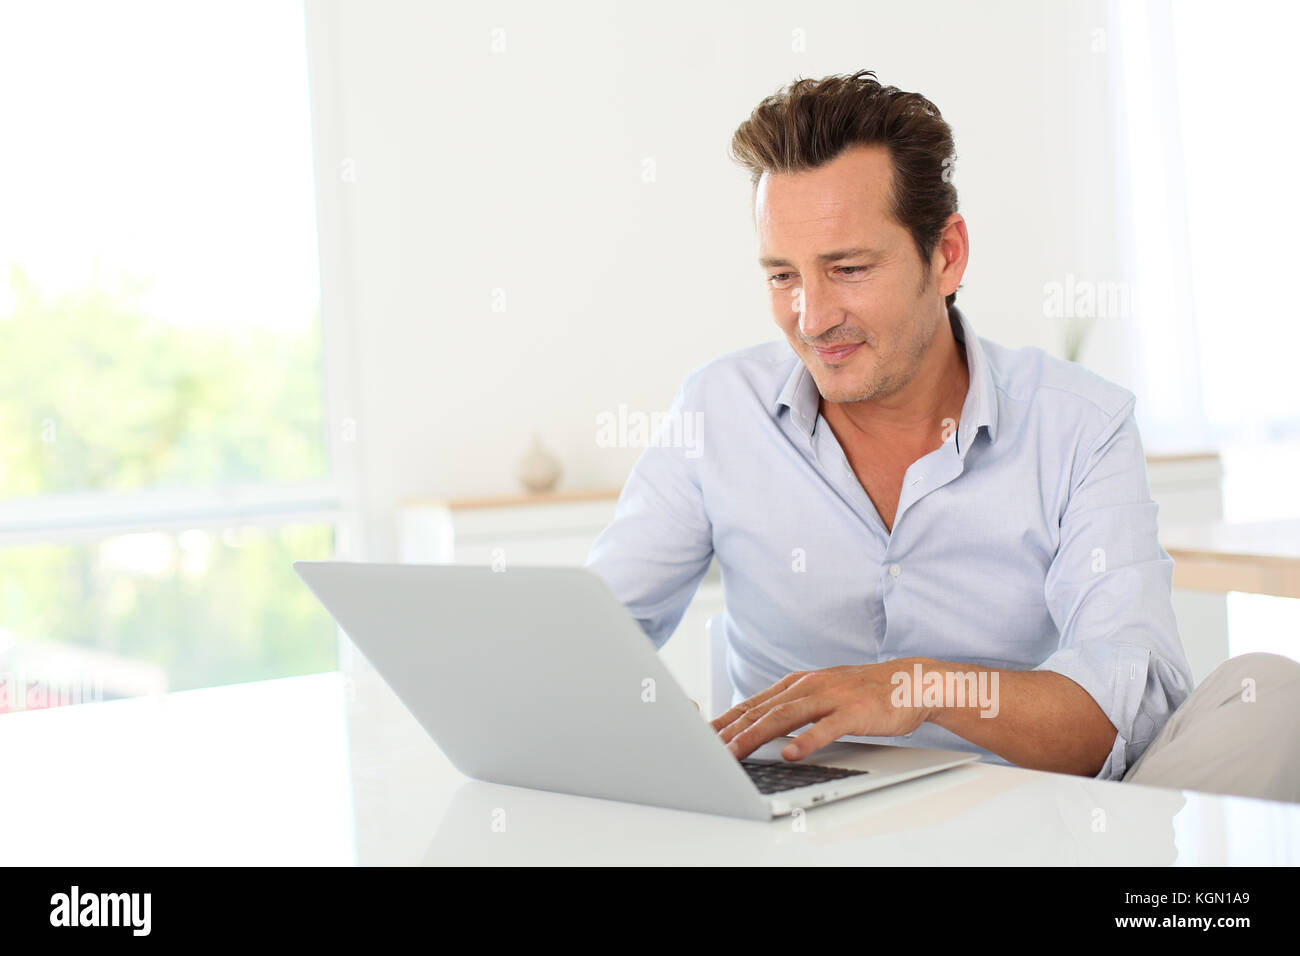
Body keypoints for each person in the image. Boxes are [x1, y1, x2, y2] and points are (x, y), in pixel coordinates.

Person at [585, 70, 1299, 803]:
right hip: (800, 825)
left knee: (1270, 695)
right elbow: (588, 637)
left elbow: (1124, 715)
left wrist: (925, 688)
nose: (812, 316)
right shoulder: (718, 408)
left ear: (947, 255)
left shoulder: (1080, 426)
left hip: (1018, 818)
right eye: (781, 276)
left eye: (849, 269)